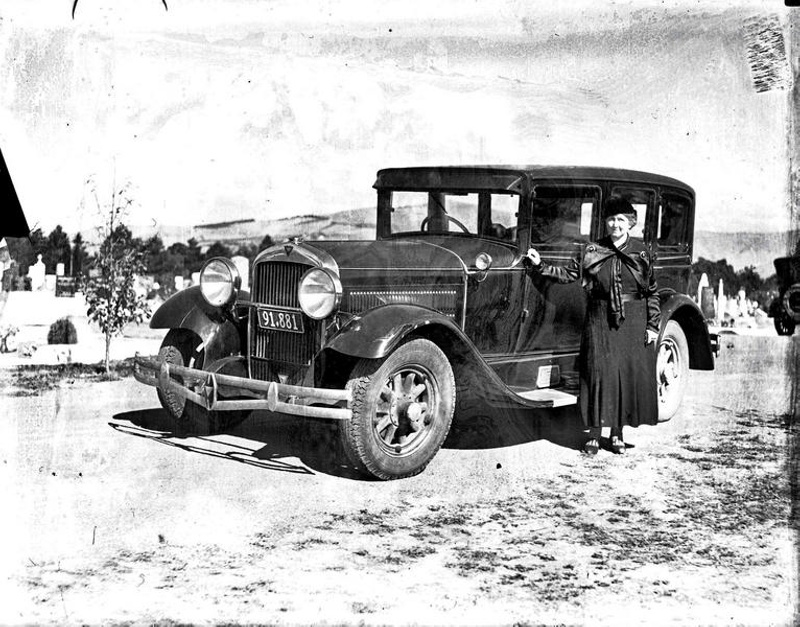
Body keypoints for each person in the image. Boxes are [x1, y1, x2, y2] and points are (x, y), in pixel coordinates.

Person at [526, 197, 660, 455]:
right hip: (598, 319)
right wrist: (539, 265)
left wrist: (652, 325)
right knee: (598, 375)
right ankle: (595, 435)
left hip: (631, 322)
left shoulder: (640, 252)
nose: (615, 225)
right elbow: (568, 274)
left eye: (621, 220)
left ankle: (617, 433)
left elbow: (651, 291)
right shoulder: (593, 250)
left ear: (630, 223)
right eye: (611, 219)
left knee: (622, 377)